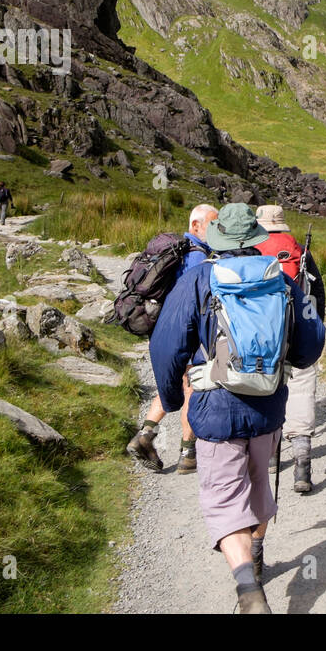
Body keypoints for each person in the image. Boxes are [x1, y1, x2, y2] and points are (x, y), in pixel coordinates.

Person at [149, 204, 323, 614]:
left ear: (220, 240)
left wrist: (173, 402)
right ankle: (257, 552)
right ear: (256, 240)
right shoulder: (280, 280)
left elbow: (166, 345)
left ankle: (248, 589)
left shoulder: (198, 279)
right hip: (268, 407)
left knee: (225, 496)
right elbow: (310, 344)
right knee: (258, 479)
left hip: (215, 407)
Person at [126, 203, 218, 474]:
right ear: (195, 226)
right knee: (192, 386)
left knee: (176, 384)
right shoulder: (197, 257)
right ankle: (188, 454)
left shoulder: (177, 252)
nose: (216, 230)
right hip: (185, 333)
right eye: (212, 225)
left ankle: (145, 435)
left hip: (163, 331)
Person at [255, 204, 325, 494]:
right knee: (302, 387)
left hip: (263, 335)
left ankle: (270, 457)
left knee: (269, 390)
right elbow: (317, 296)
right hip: (298, 329)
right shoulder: (299, 250)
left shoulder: (252, 251)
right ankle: (302, 462)